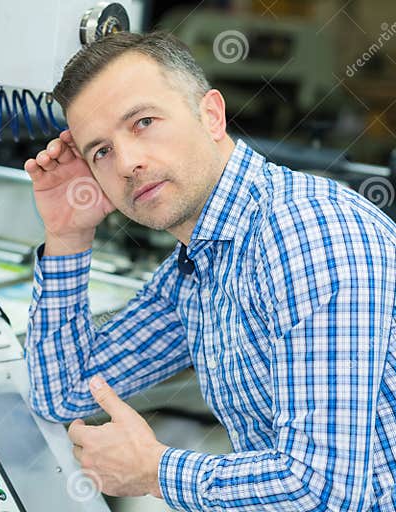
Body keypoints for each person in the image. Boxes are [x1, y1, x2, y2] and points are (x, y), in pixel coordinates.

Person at [23, 30, 396, 510]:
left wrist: (153, 470)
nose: (128, 163)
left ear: (211, 115)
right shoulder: (200, 266)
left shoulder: (303, 230)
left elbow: (323, 488)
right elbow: (64, 390)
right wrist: (68, 234)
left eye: (143, 122)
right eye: (102, 152)